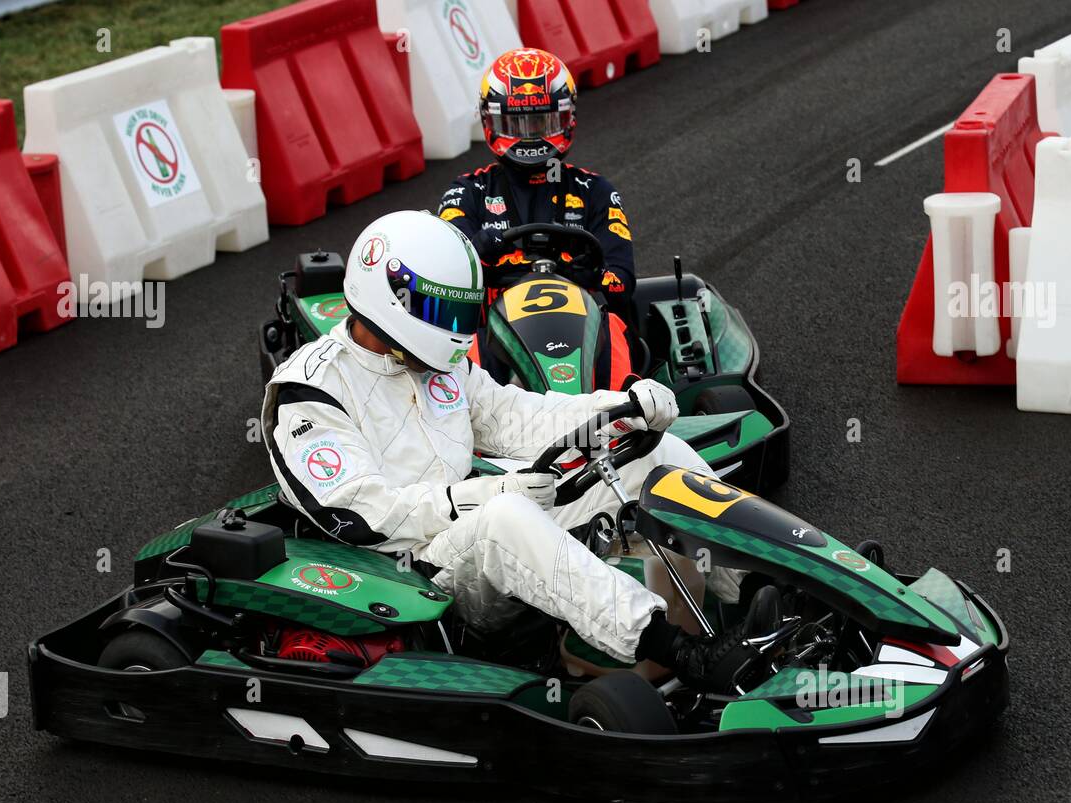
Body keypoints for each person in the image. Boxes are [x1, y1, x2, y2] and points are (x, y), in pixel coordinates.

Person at [262, 210, 762, 689]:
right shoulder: (310, 391)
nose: (455, 326)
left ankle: (763, 590)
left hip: (478, 528)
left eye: (462, 310)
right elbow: (358, 513)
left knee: (656, 455)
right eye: (443, 309)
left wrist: (623, 405)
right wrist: (482, 496)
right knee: (507, 516)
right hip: (408, 575)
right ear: (389, 298)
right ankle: (680, 653)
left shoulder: (440, 365)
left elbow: (520, 418)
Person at [436, 48, 637, 370]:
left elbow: (622, 283)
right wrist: (481, 251)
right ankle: (475, 408)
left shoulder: (595, 192)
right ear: (491, 122)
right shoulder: (468, 192)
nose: (530, 137)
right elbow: (446, 276)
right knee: (460, 345)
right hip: (494, 334)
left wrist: (593, 274)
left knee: (614, 328)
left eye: (541, 122)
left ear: (566, 118)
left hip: (582, 327)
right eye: (517, 125)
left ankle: (618, 408)